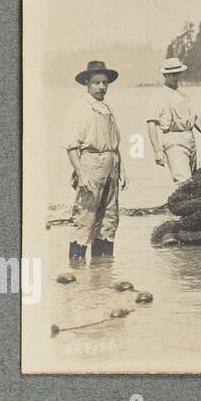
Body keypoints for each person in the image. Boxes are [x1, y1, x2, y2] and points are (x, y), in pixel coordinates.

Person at [64, 60, 125, 260]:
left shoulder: (108, 108)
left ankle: (102, 272)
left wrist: (122, 169)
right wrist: (81, 174)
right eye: (97, 83)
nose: (101, 87)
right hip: (90, 164)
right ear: (87, 84)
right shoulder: (79, 108)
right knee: (85, 217)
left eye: (105, 83)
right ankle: (77, 272)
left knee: (109, 218)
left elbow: (115, 144)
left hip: (112, 165)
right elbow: (72, 146)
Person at [145, 56, 200, 184]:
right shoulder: (157, 97)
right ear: (165, 75)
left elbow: (194, 119)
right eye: (171, 74)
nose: (174, 77)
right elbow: (151, 124)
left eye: (177, 73)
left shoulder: (184, 95)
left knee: (194, 181)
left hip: (190, 138)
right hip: (173, 139)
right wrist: (157, 151)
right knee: (183, 181)